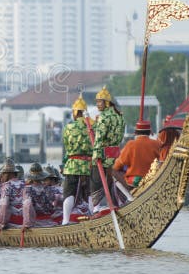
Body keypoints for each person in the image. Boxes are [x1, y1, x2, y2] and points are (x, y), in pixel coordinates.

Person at [90, 86, 125, 210]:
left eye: (100, 101)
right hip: (115, 154)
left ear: (107, 102)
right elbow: (121, 136)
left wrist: (95, 157)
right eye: (97, 102)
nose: (97, 104)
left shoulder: (104, 117)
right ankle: (119, 203)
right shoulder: (119, 115)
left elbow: (99, 139)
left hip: (103, 155)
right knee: (112, 181)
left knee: (96, 182)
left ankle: (96, 208)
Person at [62, 93, 92, 224]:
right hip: (89, 165)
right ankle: (93, 217)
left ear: (75, 112)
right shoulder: (92, 126)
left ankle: (65, 220)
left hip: (72, 165)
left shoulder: (68, 127)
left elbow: (67, 146)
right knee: (91, 193)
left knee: (69, 193)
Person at [113, 120, 160, 188]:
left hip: (135, 181)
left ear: (135, 132)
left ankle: (128, 196)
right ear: (149, 132)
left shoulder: (131, 144)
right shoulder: (156, 144)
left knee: (113, 170)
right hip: (153, 178)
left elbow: (118, 164)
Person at [22, 163, 58, 228]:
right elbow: (53, 205)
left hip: (36, 222)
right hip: (49, 221)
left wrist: (26, 224)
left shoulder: (27, 189)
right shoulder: (49, 188)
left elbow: (28, 206)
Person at [0, 158, 25, 229]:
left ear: (7, 174)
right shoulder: (25, 184)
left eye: (2, 174)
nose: (1, 177)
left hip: (12, 223)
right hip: (26, 222)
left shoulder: (6, 186)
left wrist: (2, 223)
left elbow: (4, 206)